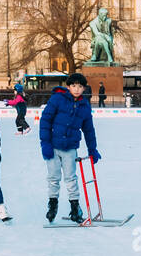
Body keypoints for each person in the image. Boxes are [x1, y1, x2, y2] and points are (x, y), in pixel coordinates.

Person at [39, 72, 100, 223]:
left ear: (84, 88)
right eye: (74, 86)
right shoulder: (57, 99)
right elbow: (45, 121)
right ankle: (52, 206)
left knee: (71, 178)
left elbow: (89, 130)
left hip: (70, 147)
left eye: (80, 86)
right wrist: (45, 144)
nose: (77, 89)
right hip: (53, 146)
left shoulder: (84, 105)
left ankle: (75, 208)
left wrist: (92, 149)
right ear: (68, 86)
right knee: (53, 178)